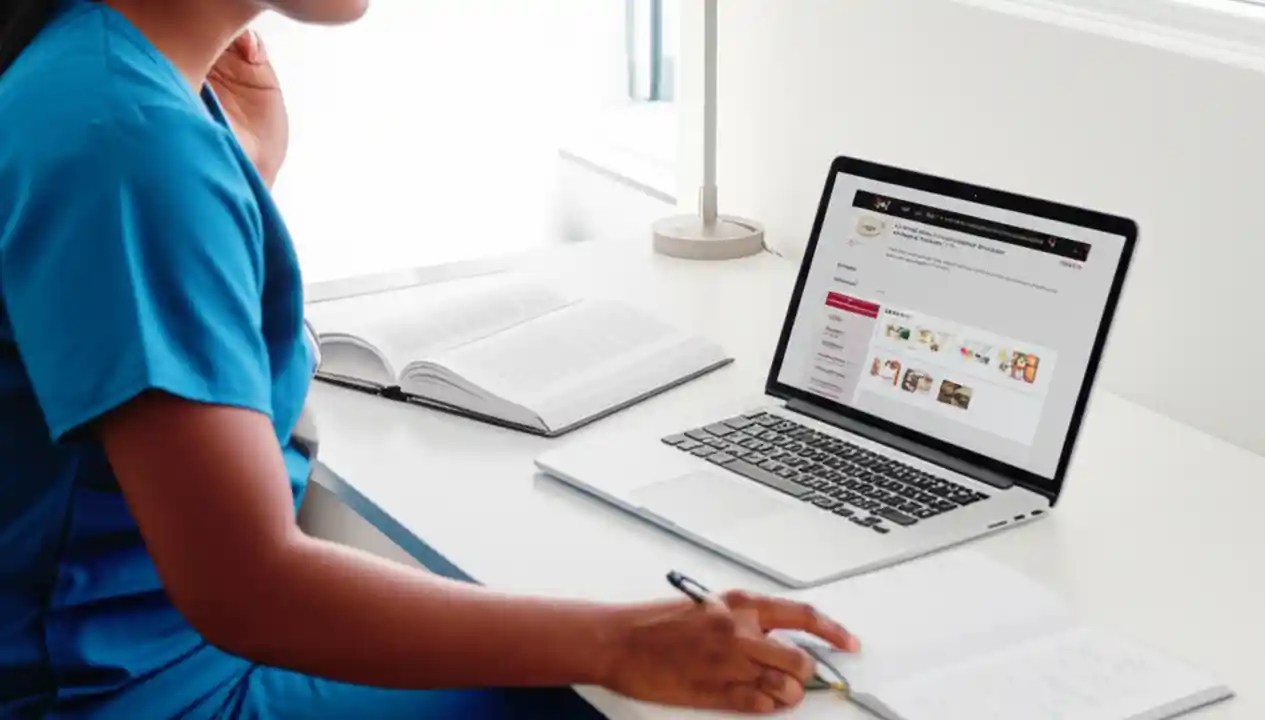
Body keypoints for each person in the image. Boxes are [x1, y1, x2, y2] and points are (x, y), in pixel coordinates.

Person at [0, 1, 860, 718]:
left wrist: (243, 173)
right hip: (133, 695)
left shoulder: (102, 77)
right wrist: (620, 640)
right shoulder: (130, 144)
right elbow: (247, 587)